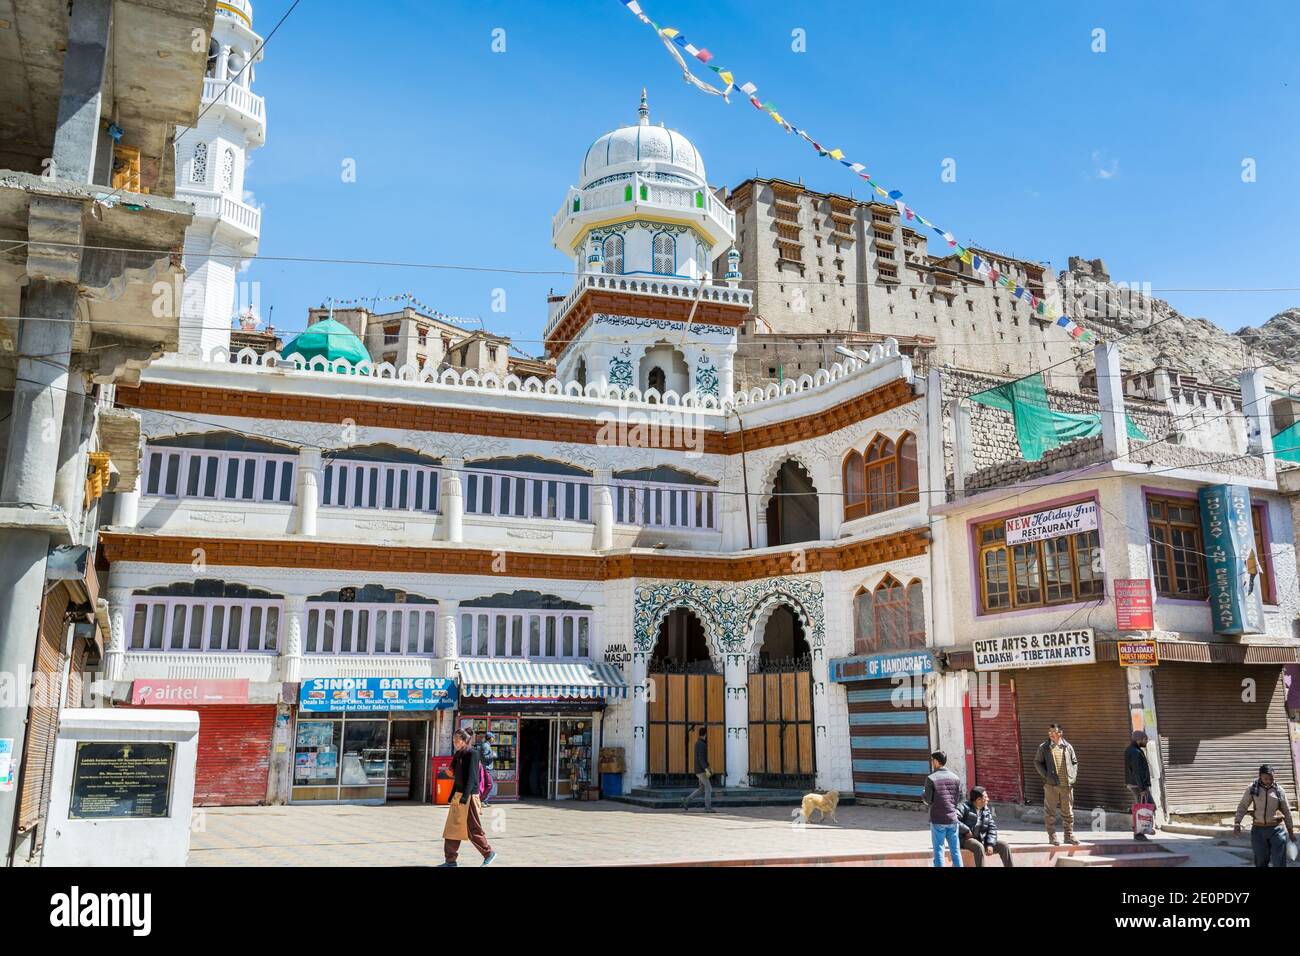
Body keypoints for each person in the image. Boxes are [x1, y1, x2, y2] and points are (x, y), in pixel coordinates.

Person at [440, 729, 497, 867]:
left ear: (465, 741)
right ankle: (450, 861)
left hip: (469, 795)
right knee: (452, 829)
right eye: (453, 741)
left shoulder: (473, 754)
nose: (455, 743)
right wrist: (452, 794)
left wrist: (465, 797)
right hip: (459, 795)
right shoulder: (458, 754)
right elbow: (455, 775)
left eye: (457, 741)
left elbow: (472, 777)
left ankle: (488, 853)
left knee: (473, 829)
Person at [1233, 764, 1296, 868]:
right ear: (1260, 776)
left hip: (1277, 830)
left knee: (1279, 860)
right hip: (1258, 830)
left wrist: (1291, 831)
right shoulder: (1252, 789)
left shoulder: (1279, 790)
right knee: (1260, 860)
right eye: (1266, 778)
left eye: (1271, 778)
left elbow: (1286, 811)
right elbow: (1243, 806)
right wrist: (1237, 822)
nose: (1269, 781)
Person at [1033, 722, 1079, 846]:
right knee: (1050, 812)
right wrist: (1046, 775)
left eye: (1054, 732)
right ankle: (1052, 836)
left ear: (1060, 733)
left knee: (1068, 812)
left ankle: (1069, 835)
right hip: (1051, 786)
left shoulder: (1067, 746)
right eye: (1050, 733)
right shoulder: (1044, 747)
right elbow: (1037, 762)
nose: (1051, 735)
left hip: (1067, 786)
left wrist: (1072, 777)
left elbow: (1074, 762)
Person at [922, 750, 963, 867]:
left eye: (932, 760)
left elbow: (928, 800)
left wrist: (923, 794)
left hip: (938, 819)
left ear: (936, 761)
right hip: (952, 818)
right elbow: (959, 799)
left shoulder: (931, 778)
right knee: (955, 851)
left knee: (939, 850)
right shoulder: (956, 778)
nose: (931, 763)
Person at [957, 786, 1014, 868]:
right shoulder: (963, 807)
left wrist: (990, 844)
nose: (988, 799)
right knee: (979, 847)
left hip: (982, 840)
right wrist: (966, 830)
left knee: (1004, 846)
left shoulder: (986, 810)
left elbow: (992, 827)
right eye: (986, 797)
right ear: (978, 800)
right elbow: (953, 820)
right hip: (966, 840)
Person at [1125, 730, 1155, 841]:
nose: (1146, 742)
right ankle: (1139, 833)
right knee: (1146, 808)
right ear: (1139, 740)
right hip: (1138, 785)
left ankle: (1143, 830)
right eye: (1145, 739)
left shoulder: (1132, 750)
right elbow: (1137, 771)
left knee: (1144, 808)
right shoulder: (1135, 752)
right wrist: (1142, 788)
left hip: (1136, 784)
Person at [682, 725, 715, 812]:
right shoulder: (702, 744)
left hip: (698, 770)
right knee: (709, 788)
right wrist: (706, 768)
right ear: (705, 734)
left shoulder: (697, 743)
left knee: (702, 789)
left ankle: (686, 800)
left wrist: (707, 766)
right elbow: (701, 758)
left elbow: (701, 758)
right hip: (701, 771)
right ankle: (708, 808)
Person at [476, 731, 497, 806]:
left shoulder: (486, 745)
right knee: (489, 785)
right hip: (486, 768)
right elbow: (484, 757)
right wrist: (492, 755)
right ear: (491, 738)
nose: (494, 739)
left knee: (486, 785)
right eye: (493, 738)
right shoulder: (486, 746)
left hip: (487, 767)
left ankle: (484, 800)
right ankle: (481, 800)